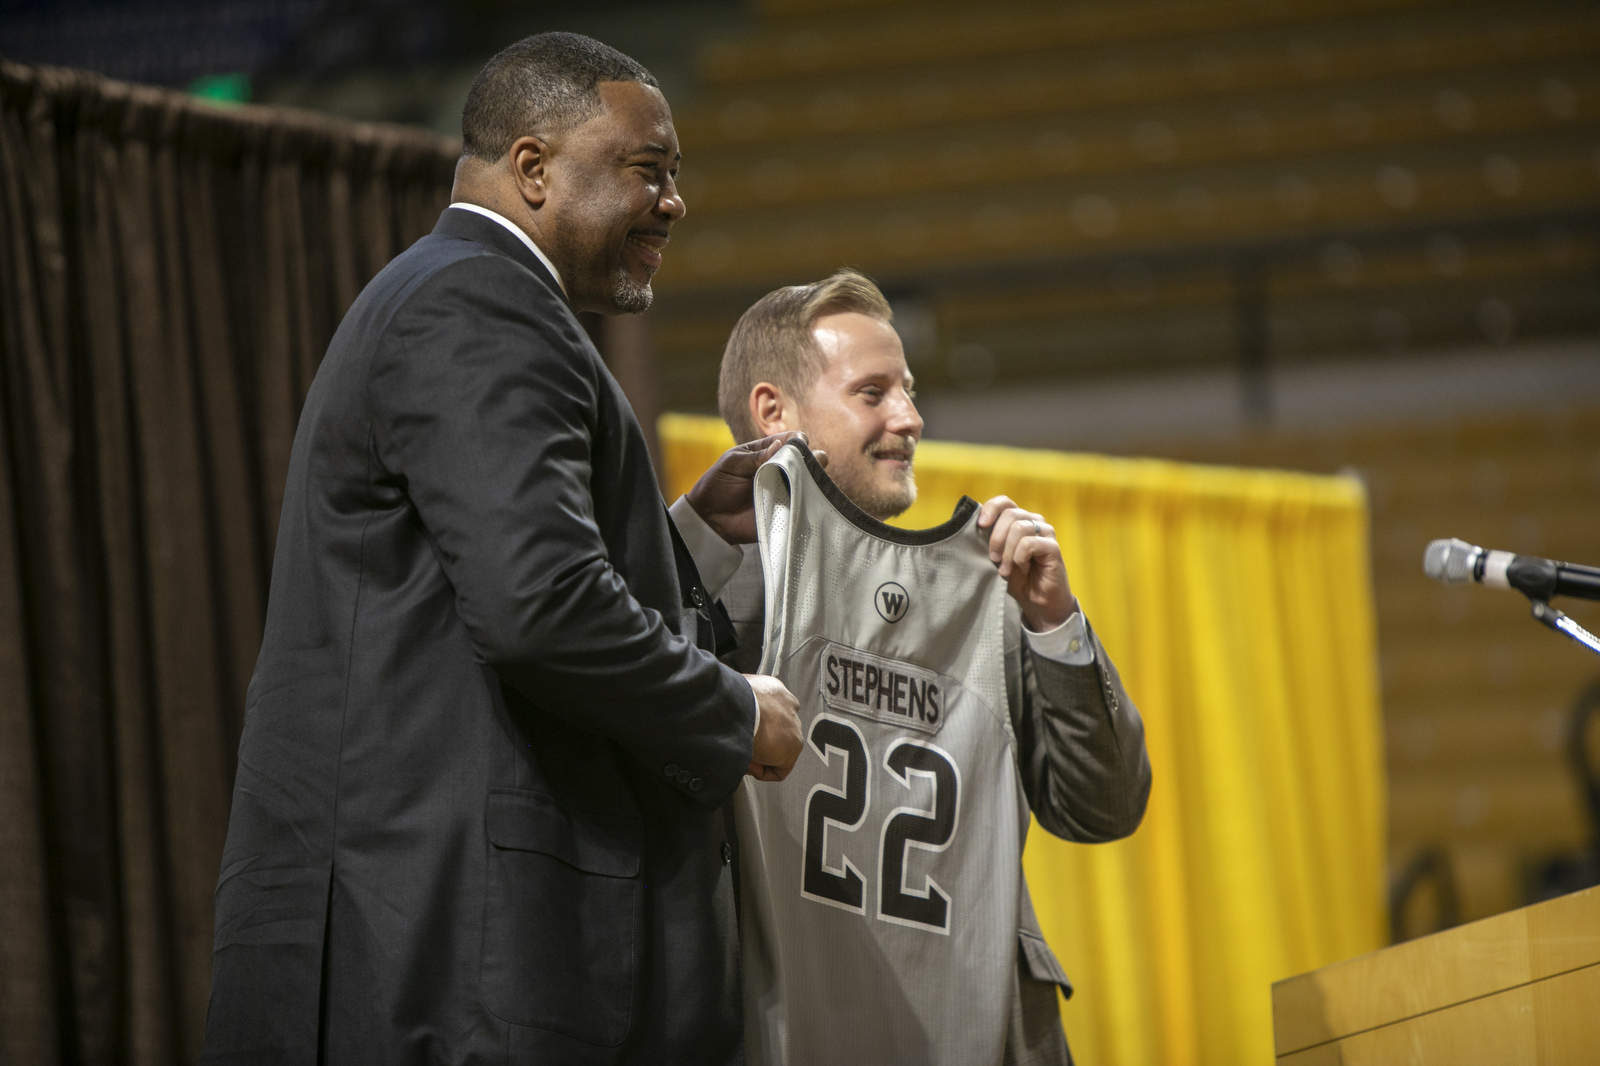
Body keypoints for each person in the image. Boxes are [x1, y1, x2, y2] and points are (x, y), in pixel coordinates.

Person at [201, 33, 805, 1066]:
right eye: (647, 170)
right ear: (531, 169)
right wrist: (735, 708)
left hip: (443, 949)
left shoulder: (467, 301)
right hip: (455, 963)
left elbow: (494, 584)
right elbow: (538, 605)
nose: (674, 202)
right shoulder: (479, 301)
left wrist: (685, 536)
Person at [669, 269, 1151, 1064]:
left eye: (910, 390)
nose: (910, 417)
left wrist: (1055, 624)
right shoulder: (698, 605)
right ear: (773, 412)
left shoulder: (981, 597)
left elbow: (1104, 806)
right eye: (873, 392)